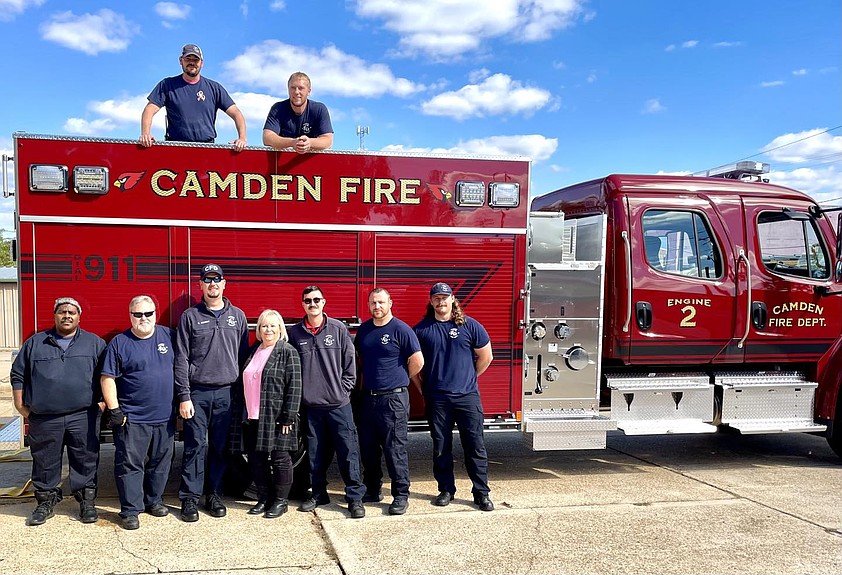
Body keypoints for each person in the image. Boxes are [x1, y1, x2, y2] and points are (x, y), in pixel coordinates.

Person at [10, 297, 106, 526]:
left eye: (72, 312)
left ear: (79, 317)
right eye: (62, 312)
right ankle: (45, 502)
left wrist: (102, 404)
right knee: (45, 461)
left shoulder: (95, 343)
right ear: (55, 315)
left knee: (85, 459)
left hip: (83, 415)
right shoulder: (35, 343)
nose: (67, 316)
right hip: (44, 417)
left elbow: (108, 375)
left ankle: (86, 502)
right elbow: (18, 374)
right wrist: (20, 405)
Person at [174, 263, 249, 522]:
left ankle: (214, 494)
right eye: (207, 280)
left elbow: (243, 358)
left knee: (220, 448)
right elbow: (181, 358)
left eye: (217, 280)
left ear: (224, 284)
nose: (212, 284)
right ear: (201, 285)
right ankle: (189, 498)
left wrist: (241, 396)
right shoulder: (190, 317)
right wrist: (184, 395)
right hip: (198, 393)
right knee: (195, 446)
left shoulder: (238, 316)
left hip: (227, 394)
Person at [412, 282, 495, 512]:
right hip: (437, 399)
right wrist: (423, 388)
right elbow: (413, 365)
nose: (441, 301)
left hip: (467, 398)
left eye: (444, 297)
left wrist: (469, 378)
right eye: (436, 298)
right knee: (441, 447)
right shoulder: (421, 330)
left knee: (475, 446)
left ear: (452, 299)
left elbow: (486, 356)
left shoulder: (470, 326)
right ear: (431, 302)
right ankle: (446, 490)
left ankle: (481, 492)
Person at [287, 286, 366, 519]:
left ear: (323, 302)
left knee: (348, 452)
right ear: (302, 304)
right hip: (312, 408)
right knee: (315, 455)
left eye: (316, 300)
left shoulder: (338, 329)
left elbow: (350, 364)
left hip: (339, 406)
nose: (312, 304)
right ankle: (319, 494)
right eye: (308, 301)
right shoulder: (295, 333)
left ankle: (355, 498)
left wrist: (343, 390)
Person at [100, 295, 176, 530]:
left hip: (165, 417)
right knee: (130, 465)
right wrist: (114, 410)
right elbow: (107, 378)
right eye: (138, 314)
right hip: (132, 418)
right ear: (130, 316)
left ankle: (154, 501)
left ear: (155, 314)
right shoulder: (120, 343)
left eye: (148, 313)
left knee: (161, 462)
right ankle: (130, 510)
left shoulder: (169, 337)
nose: (144, 318)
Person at [354, 288, 423, 516]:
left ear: (390, 303)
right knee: (368, 449)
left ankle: (401, 495)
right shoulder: (364, 330)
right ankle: (373, 489)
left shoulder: (401, 329)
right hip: (368, 398)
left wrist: (398, 379)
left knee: (395, 450)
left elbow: (417, 361)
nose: (377, 306)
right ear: (368, 305)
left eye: (381, 302)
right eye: (373, 302)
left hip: (393, 399)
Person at [229, 309, 302, 519]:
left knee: (280, 459)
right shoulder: (254, 351)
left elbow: (295, 387)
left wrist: (288, 417)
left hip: (277, 417)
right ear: (258, 330)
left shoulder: (287, 351)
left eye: (272, 325)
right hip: (252, 416)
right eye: (263, 326)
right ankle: (264, 497)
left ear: (280, 329)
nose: (268, 329)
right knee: (256, 460)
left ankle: (280, 501)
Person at [140, 43, 247, 151]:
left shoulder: (215, 88)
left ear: (201, 63)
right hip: (175, 149)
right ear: (181, 60)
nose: (192, 62)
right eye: (188, 59)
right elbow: (149, 109)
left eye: (196, 59)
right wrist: (145, 133)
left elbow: (236, 113)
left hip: (207, 149)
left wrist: (242, 138)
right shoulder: (167, 85)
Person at [263, 72, 333, 154]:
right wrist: (292, 142)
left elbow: (328, 140)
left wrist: (309, 143)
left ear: (309, 91)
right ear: (288, 90)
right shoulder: (277, 109)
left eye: (301, 88)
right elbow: (267, 137)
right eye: (293, 88)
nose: (296, 92)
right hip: (282, 159)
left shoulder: (319, 109)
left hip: (311, 160)